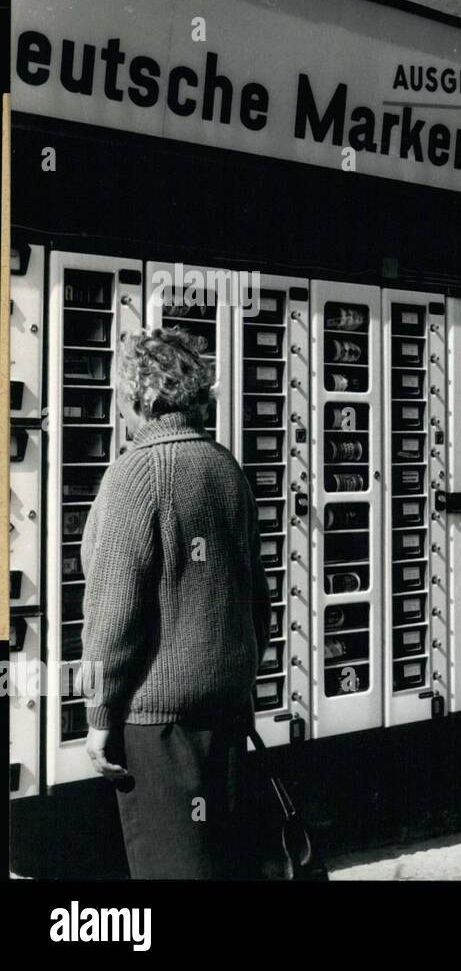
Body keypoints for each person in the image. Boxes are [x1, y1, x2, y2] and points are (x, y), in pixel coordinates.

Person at [80, 327, 271, 878]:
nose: (117, 407)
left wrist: (99, 715)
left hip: (159, 727)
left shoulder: (136, 474)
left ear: (141, 396)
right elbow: (256, 597)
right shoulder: (226, 468)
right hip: (228, 715)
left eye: (119, 392)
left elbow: (113, 613)